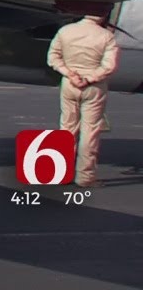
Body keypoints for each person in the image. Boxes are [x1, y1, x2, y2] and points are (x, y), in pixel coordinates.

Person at [47, 13, 120, 187]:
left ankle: (61, 173)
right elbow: (109, 66)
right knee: (90, 132)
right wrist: (89, 78)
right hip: (94, 87)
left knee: (67, 128)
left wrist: (69, 73)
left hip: (69, 83)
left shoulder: (66, 31)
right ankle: (85, 177)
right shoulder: (107, 36)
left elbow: (53, 57)